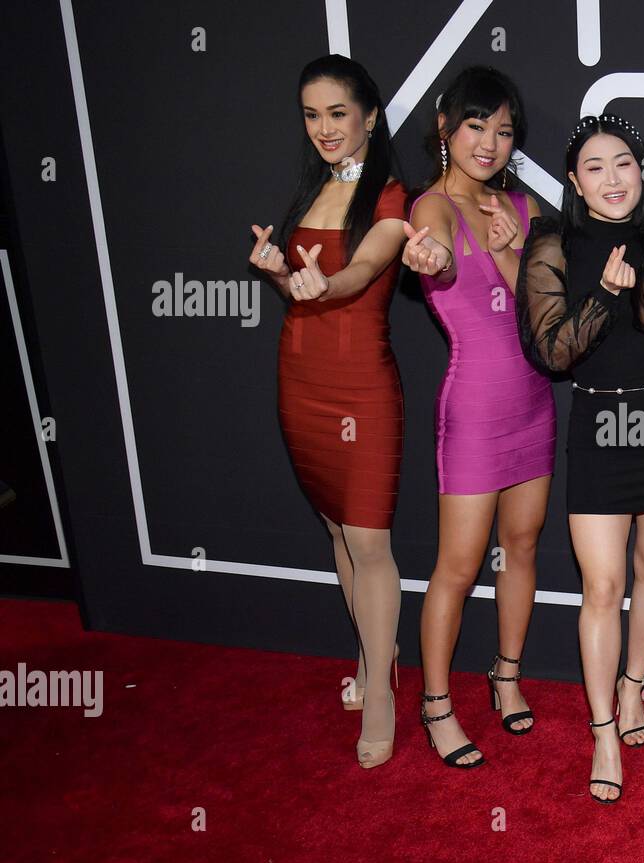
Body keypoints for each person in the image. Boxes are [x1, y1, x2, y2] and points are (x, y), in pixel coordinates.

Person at [516, 114, 644, 804]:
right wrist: (604, 294)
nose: (613, 178)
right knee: (601, 586)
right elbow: (554, 354)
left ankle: (632, 689)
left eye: (623, 162)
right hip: (599, 421)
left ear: (641, 170)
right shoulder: (551, 244)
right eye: (594, 167)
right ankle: (600, 733)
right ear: (573, 180)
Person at [249, 54, 407, 769]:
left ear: (369, 115)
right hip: (300, 379)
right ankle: (375, 659)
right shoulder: (312, 188)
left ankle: (382, 695)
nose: (324, 129)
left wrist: (322, 280)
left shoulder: (392, 195)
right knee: (339, 531)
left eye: (337, 113)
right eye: (311, 115)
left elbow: (363, 270)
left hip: (360, 387)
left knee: (369, 542)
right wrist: (284, 275)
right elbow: (304, 292)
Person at [403, 65, 555, 769]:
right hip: (471, 410)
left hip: (533, 404)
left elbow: (544, 313)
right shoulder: (429, 207)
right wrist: (430, 259)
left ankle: (507, 675)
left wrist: (509, 248)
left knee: (521, 548)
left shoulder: (520, 208)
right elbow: (429, 259)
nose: (490, 142)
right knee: (458, 567)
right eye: (475, 125)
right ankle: (436, 703)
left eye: (503, 130)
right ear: (445, 127)